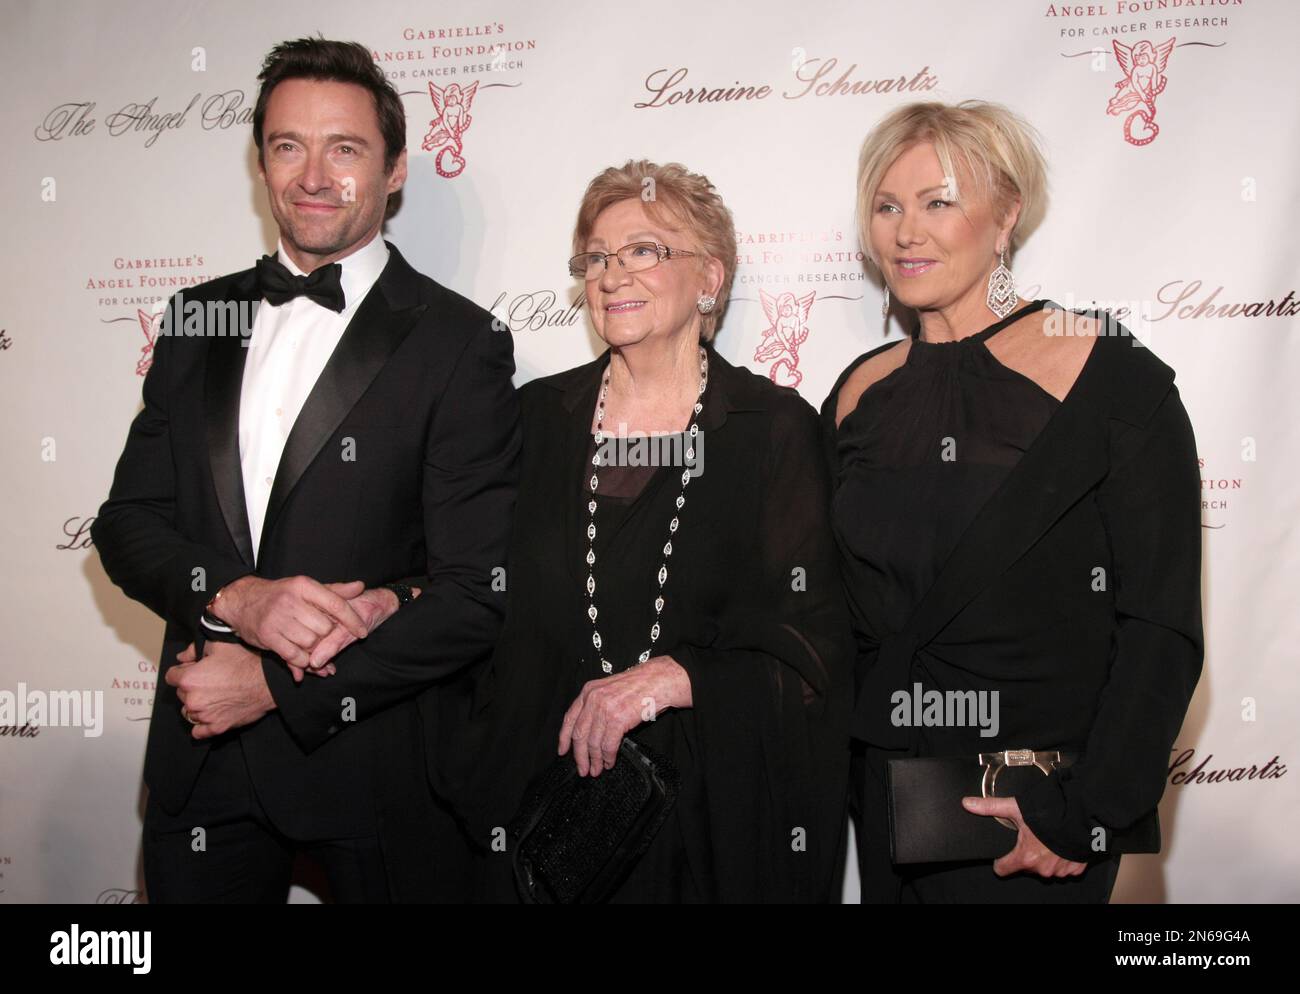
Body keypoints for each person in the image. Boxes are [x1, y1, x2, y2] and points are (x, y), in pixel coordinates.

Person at [91, 37, 520, 903]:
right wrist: (237, 599)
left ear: (395, 170)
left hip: (374, 774)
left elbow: (475, 592)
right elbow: (127, 523)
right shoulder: (196, 317)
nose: (313, 175)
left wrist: (280, 688)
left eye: (346, 148)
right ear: (261, 164)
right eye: (289, 145)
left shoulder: (461, 342)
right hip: (200, 758)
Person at [822, 101, 1202, 903]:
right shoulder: (858, 392)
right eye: (887, 207)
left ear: (1006, 216)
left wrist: (1087, 814)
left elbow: (1159, 625)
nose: (905, 232)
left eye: (938, 202)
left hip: (1031, 821)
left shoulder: (1112, 375)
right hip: (886, 809)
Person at [448, 160, 851, 902]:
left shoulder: (770, 429)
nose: (609, 275)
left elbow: (816, 645)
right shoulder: (534, 420)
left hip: (708, 825)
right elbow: (475, 603)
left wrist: (680, 676)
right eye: (597, 258)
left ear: (709, 279)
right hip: (542, 821)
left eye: (643, 251)